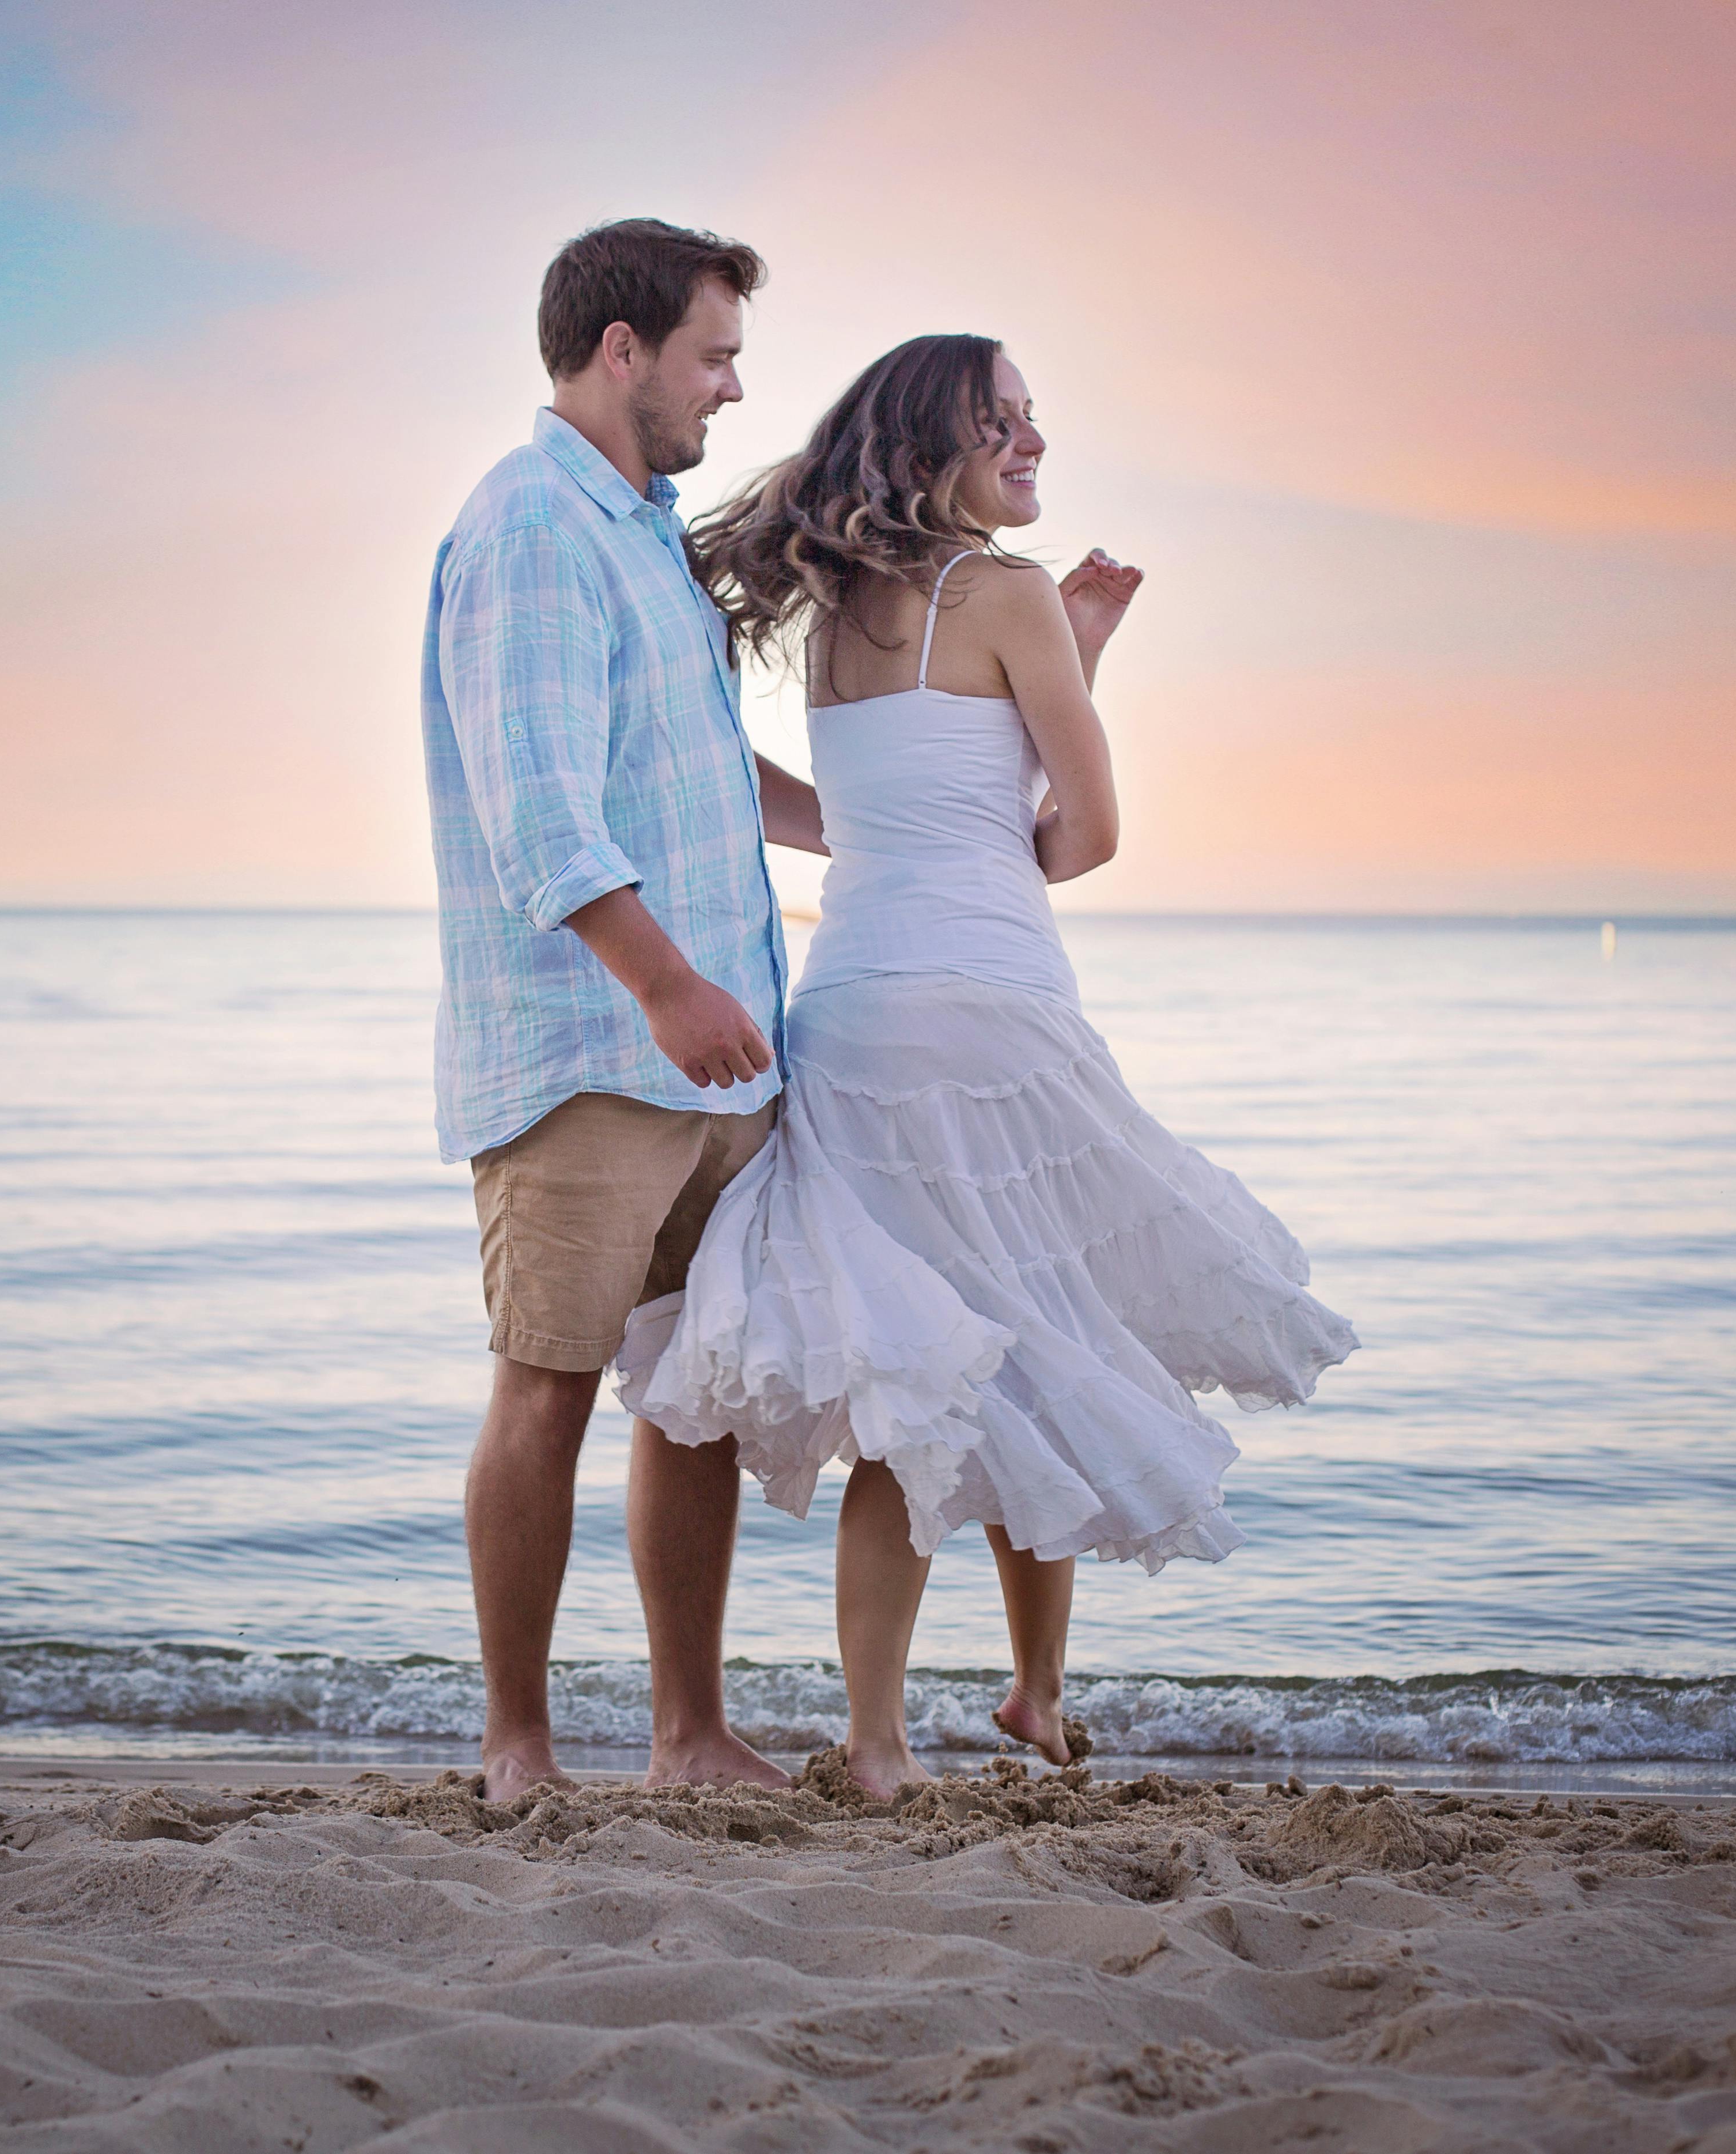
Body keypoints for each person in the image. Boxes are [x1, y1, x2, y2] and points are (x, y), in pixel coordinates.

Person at [617, 334, 1359, 1800]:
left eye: (1033, 420)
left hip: (852, 1012)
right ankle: (1027, 1690)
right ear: (933, 444)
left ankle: (888, 1742)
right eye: (1000, 424)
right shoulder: (1007, 592)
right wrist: (1073, 662)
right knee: (1036, 1326)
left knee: (925, 1359)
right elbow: (1079, 837)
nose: (1030, 443)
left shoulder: (835, 606)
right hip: (991, 1012)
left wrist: (1064, 659)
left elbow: (910, 787)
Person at [421, 218, 831, 1801]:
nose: (728, 389)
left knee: (696, 1388)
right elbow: (539, 809)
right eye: (711, 356)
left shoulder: (644, 534)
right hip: (592, 1047)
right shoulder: (532, 525)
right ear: (621, 350)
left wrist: (873, 824)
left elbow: (702, 775)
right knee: (549, 1383)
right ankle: (517, 1746)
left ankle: (687, 1735)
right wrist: (663, 987)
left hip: (713, 1053)